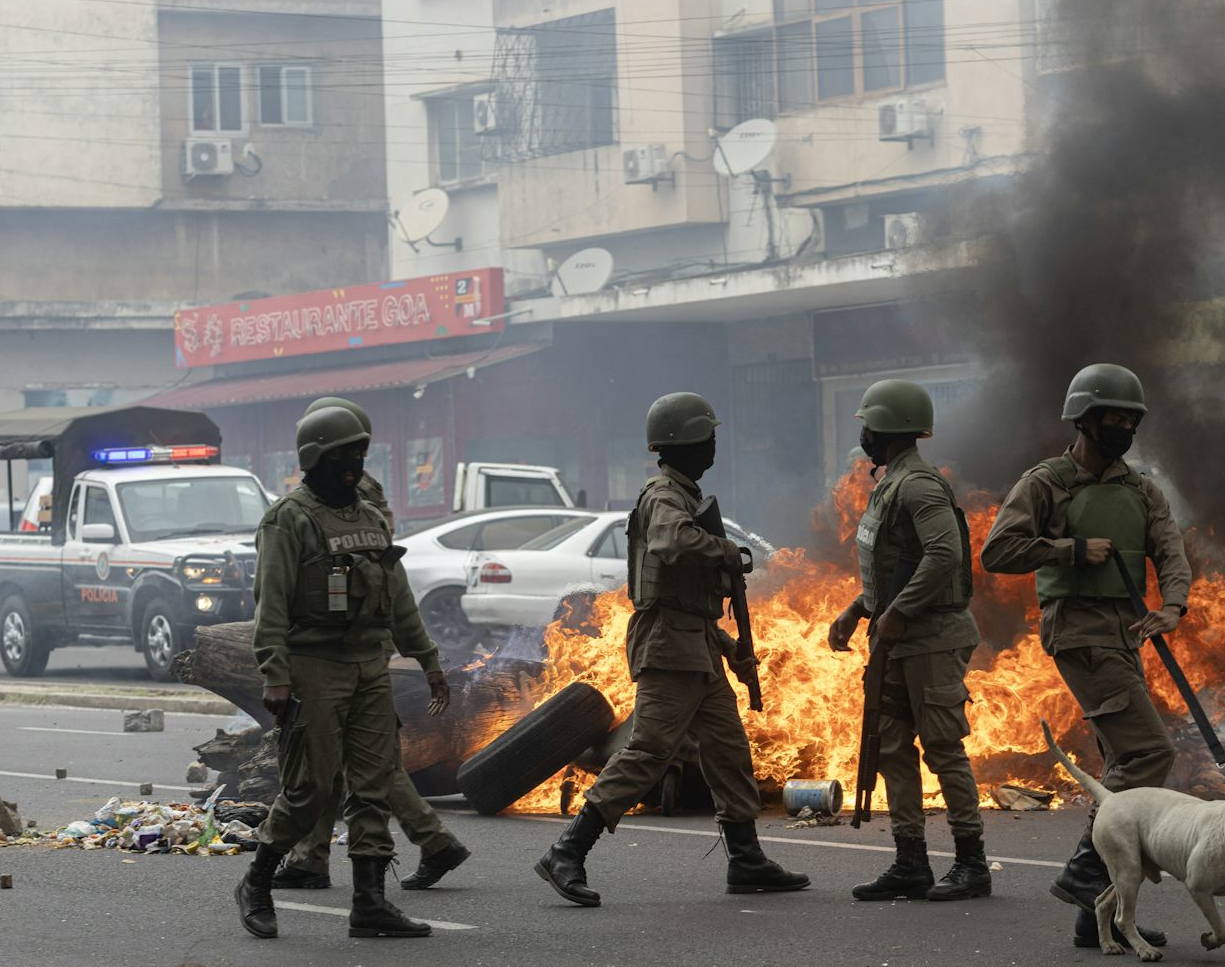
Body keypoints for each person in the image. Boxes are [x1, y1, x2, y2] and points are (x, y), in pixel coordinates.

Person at [535, 392, 807, 906]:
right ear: (684, 443)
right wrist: (727, 551)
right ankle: (567, 851)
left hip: (695, 643)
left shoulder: (682, 495)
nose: (712, 448)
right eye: (707, 438)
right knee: (650, 750)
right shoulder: (663, 497)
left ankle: (746, 859)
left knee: (729, 753)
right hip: (667, 647)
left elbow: (693, 606)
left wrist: (727, 646)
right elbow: (672, 545)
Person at [979, 364, 1190, 950]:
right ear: (1084, 419)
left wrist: (1173, 606)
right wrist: (1067, 549)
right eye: (1113, 417)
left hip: (1126, 634)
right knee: (1146, 750)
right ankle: (1085, 872)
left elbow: (1170, 551)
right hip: (1078, 630)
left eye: (1131, 419)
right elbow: (999, 551)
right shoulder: (1047, 483)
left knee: (1120, 764)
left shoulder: (1140, 489)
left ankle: (1095, 918)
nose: (1123, 427)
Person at [233, 406, 451, 940]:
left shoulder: (371, 520)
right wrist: (275, 677)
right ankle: (256, 882)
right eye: (341, 455)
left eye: (359, 453)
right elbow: (272, 607)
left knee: (373, 784)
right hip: (313, 669)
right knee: (308, 788)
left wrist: (429, 660)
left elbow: (400, 602)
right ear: (314, 459)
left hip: (368, 667)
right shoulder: (288, 520)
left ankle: (370, 903)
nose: (353, 464)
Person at [269, 396, 471, 893]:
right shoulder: (302, 510)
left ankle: (424, 843)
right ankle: (310, 858)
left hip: (357, 646)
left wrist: (425, 656)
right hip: (332, 648)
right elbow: (276, 595)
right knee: (332, 768)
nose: (352, 463)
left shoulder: (355, 495)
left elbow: (389, 582)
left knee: (369, 768)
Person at [826, 380, 991, 902]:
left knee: (943, 747)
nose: (864, 433)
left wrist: (896, 613)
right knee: (892, 746)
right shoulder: (890, 482)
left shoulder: (918, 485)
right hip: (898, 639)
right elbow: (894, 565)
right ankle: (910, 861)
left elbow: (944, 556)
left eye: (868, 424)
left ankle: (971, 863)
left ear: (889, 428)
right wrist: (859, 609)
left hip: (932, 639)